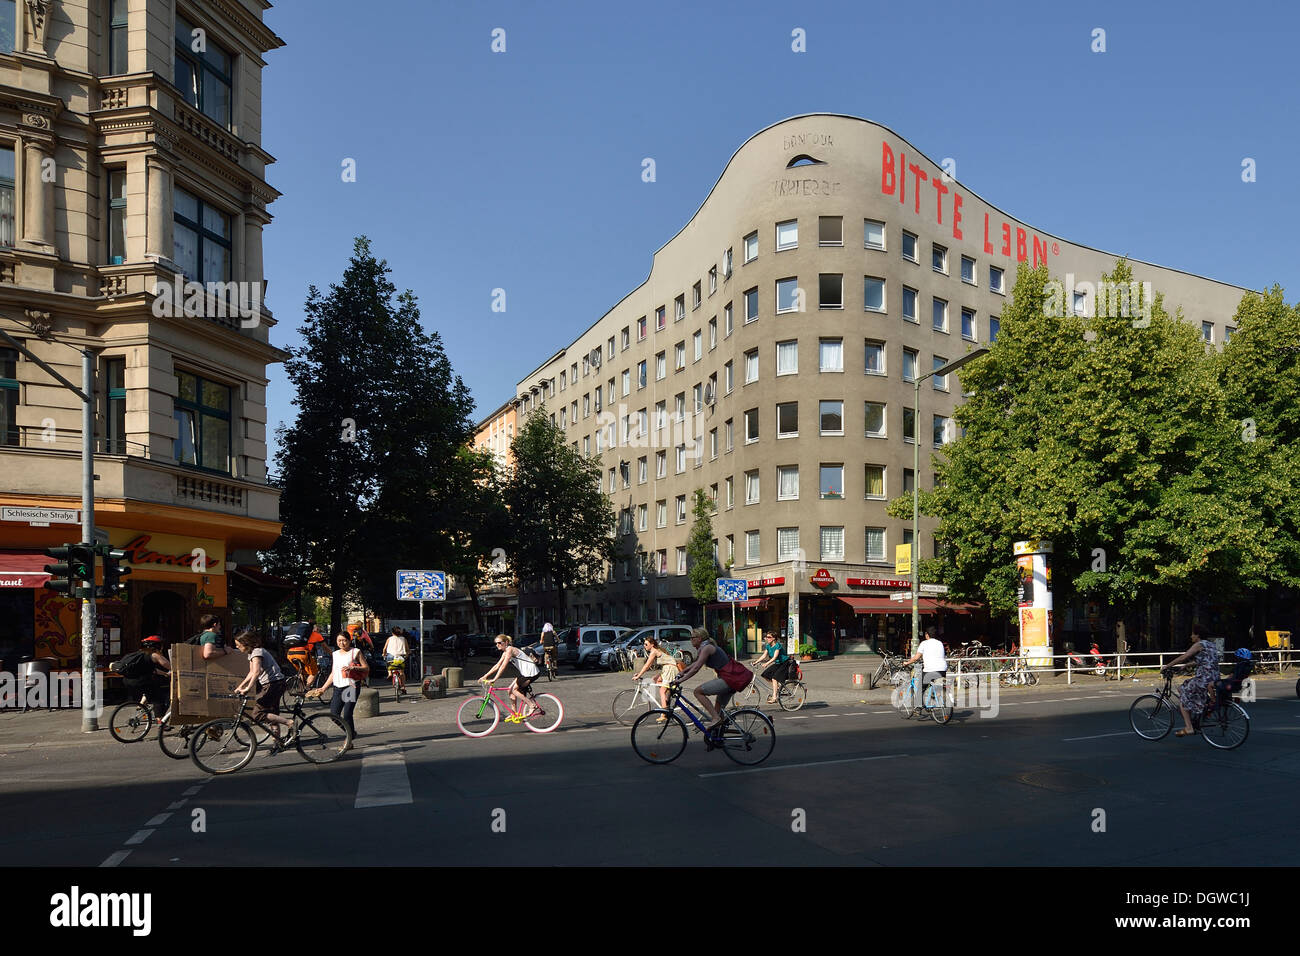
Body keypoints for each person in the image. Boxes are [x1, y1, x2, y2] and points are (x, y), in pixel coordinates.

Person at [673, 626, 753, 732]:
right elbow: (695, 664)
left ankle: (716, 718)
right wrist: (683, 672)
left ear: (699, 638)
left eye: (692, 637)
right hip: (730, 678)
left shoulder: (707, 648)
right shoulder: (704, 647)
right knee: (718, 709)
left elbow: (697, 668)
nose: (691, 639)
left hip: (730, 678)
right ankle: (718, 737)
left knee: (698, 692)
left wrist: (680, 680)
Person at [232, 630, 294, 748]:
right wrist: (241, 686)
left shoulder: (257, 652)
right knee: (272, 713)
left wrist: (248, 688)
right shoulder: (252, 653)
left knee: (257, 713)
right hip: (274, 684)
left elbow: (256, 671)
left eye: (238, 644)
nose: (237, 647)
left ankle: (289, 722)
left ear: (246, 643)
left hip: (273, 684)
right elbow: (251, 672)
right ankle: (277, 742)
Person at [306, 631, 366, 749]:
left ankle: (348, 741)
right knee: (334, 715)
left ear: (349, 640)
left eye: (344, 640)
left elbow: (366, 667)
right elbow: (334, 673)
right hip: (338, 687)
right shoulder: (335, 654)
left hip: (351, 686)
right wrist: (323, 687)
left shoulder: (355, 652)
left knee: (347, 714)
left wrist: (353, 667)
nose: (342, 643)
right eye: (339, 641)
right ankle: (351, 733)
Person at [1163, 623, 1222, 737]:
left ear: (1197, 635)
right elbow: (1206, 661)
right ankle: (1198, 710)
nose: (1191, 636)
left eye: (1192, 634)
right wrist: (1187, 665)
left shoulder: (1199, 644)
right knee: (1182, 687)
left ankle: (1189, 727)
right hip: (1214, 677)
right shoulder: (1211, 644)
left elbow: (1183, 657)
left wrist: (1167, 666)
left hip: (1204, 679)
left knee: (1183, 699)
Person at [479, 634, 540, 720]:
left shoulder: (510, 650)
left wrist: (494, 679)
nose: (497, 645)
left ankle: (532, 705)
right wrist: (485, 676)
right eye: (496, 643)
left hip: (531, 673)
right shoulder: (505, 652)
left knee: (514, 690)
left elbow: (503, 666)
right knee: (509, 690)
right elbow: (497, 665)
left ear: (506, 642)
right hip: (525, 673)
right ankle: (514, 713)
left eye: (499, 643)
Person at [630, 633, 680, 714]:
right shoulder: (656, 650)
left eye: (646, 644)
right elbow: (649, 665)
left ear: (652, 645)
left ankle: (664, 713)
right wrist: (639, 673)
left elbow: (646, 665)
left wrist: (639, 675)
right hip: (666, 669)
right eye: (644, 644)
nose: (644, 645)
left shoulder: (654, 651)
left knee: (662, 691)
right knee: (655, 679)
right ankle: (667, 696)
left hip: (670, 670)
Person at [124, 635, 170, 716]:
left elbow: (153, 670)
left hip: (128, 680)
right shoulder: (154, 655)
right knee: (158, 698)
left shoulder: (139, 653)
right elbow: (170, 666)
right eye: (161, 645)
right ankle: (160, 722)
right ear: (157, 646)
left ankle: (142, 704)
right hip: (140, 681)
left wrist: (165, 674)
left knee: (150, 688)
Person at [903, 625, 947, 709]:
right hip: (942, 669)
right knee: (935, 684)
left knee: (920, 687)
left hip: (930, 670)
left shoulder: (924, 643)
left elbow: (916, 658)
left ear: (927, 635)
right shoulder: (940, 643)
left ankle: (918, 707)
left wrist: (907, 663)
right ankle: (934, 697)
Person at [751, 632, 791, 703]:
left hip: (784, 663)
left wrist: (767, 663)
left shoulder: (777, 645)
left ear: (773, 638)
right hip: (778, 663)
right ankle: (778, 687)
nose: (767, 638)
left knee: (774, 678)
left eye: (769, 637)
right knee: (765, 674)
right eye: (766, 637)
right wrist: (755, 662)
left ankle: (774, 697)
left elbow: (775, 657)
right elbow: (764, 655)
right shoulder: (768, 646)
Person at [383, 626, 409, 694]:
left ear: (392, 633)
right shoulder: (404, 639)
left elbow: (385, 648)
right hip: (400, 657)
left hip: (391, 656)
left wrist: (383, 654)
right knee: (401, 673)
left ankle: (389, 673)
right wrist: (407, 654)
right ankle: (403, 687)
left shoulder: (389, 639)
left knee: (388, 663)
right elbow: (407, 649)